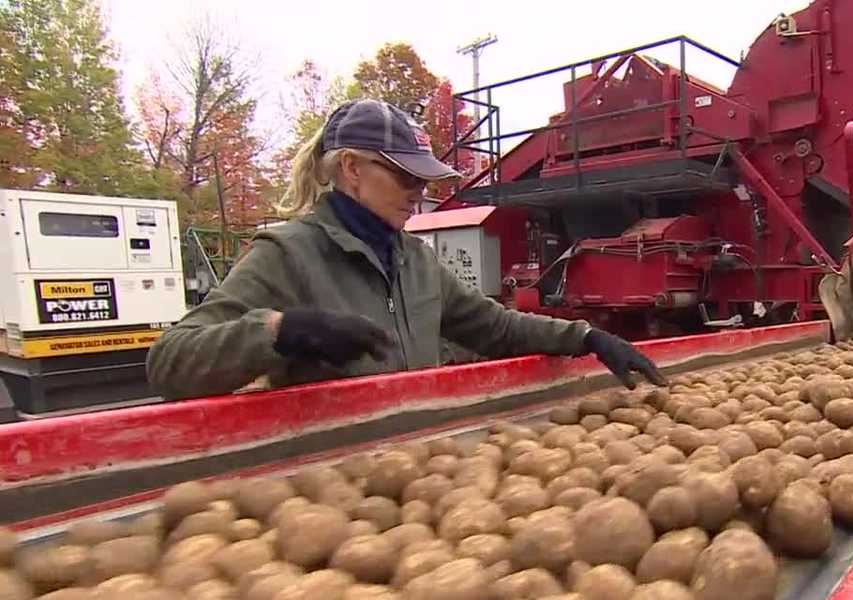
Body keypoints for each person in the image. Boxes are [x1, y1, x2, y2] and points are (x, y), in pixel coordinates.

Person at [147, 99, 666, 400]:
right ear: (352, 169)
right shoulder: (287, 253)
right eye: (405, 176)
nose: (419, 192)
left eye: (424, 179)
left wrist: (587, 336)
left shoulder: (415, 260)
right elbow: (170, 361)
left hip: (412, 463)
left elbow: (495, 327)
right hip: (332, 482)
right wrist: (279, 333)